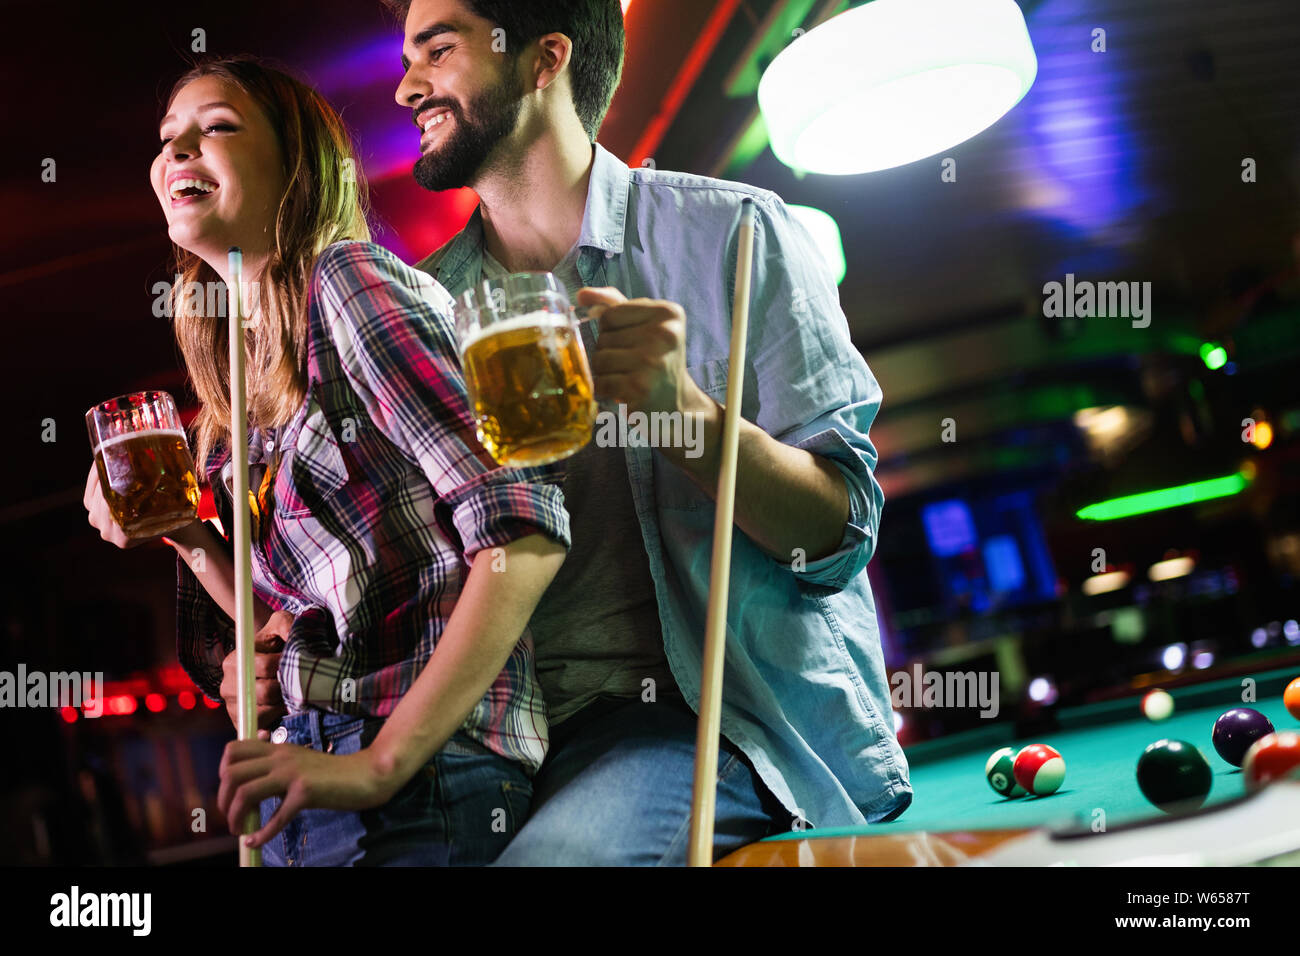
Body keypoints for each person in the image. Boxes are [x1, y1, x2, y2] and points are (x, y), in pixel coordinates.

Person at [387, 0, 912, 865]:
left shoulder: (736, 231)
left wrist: (685, 415)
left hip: (706, 722)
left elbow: (840, 533)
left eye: (438, 50)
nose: (408, 86)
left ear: (542, 58)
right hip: (497, 752)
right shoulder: (421, 307)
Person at [82, 55, 572, 866]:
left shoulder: (347, 281)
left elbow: (520, 527)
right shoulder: (238, 369)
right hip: (305, 776)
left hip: (422, 774)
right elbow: (293, 615)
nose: (177, 152)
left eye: (217, 128)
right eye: (168, 139)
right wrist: (186, 536)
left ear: (297, 167)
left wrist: (382, 766)